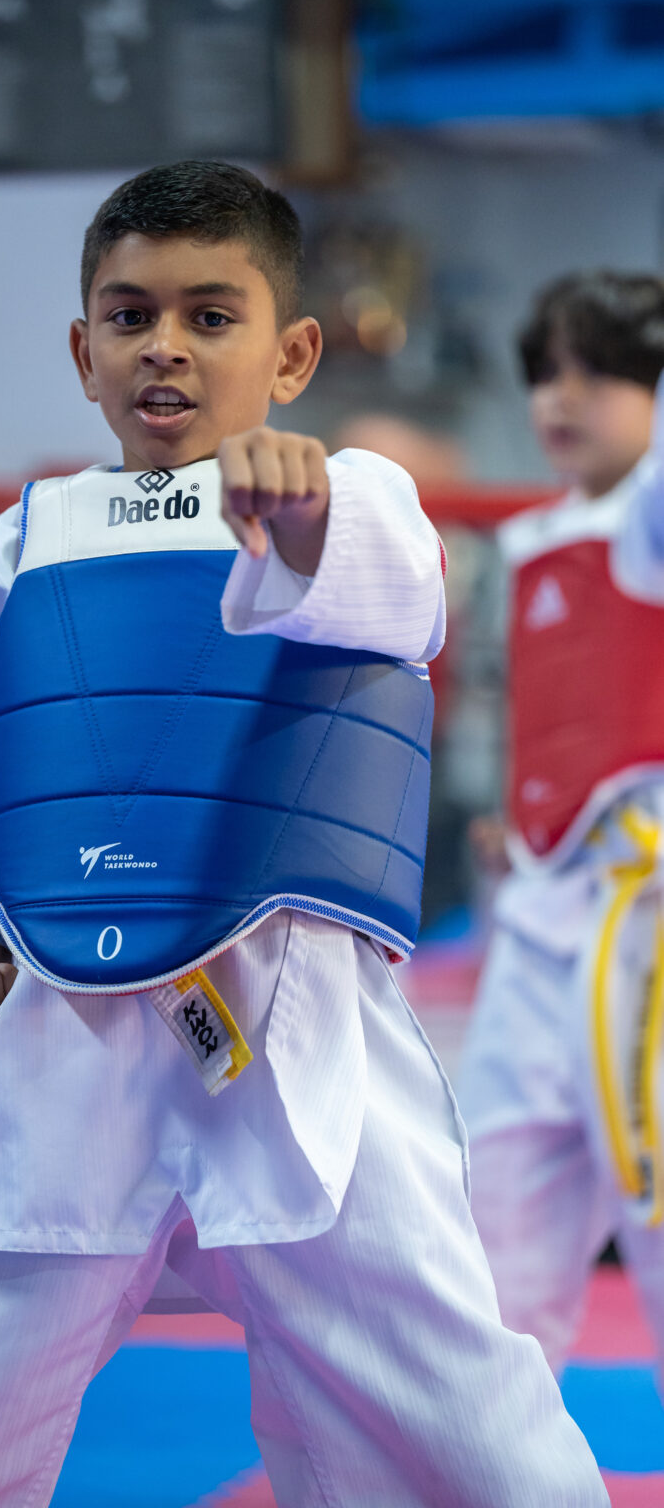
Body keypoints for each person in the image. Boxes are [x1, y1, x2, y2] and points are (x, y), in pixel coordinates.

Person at [0, 162, 604, 1507]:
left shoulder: (356, 497)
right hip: (55, 1033)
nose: (165, 344)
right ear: (82, 350)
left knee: (460, 1435)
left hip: (290, 1036)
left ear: (291, 353)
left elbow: (392, 590)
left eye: (212, 316)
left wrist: (303, 514)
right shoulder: (11, 548)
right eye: (130, 313)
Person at [457, 270, 664, 1379]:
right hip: (535, 918)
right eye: (545, 372)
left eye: (598, 371)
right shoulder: (529, 538)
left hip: (648, 931)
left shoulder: (649, 522)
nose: (561, 396)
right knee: (490, 1256)